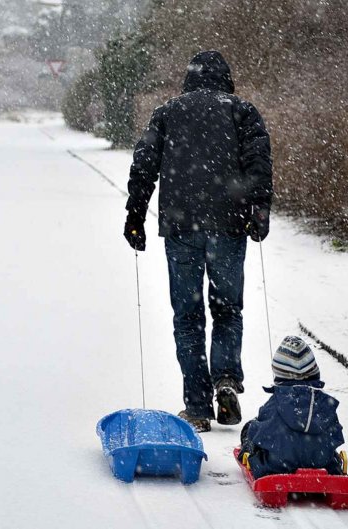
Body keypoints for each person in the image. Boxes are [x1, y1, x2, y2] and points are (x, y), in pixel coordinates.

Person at [123, 50, 272, 432]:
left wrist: (135, 214)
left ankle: (197, 405)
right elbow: (259, 162)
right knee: (227, 309)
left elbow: (144, 164)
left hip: (180, 226)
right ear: (225, 77)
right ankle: (225, 379)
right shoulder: (242, 111)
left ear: (189, 78)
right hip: (228, 225)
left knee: (187, 317)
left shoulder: (168, 112)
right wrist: (259, 209)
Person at [236, 336, 346, 478]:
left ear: (279, 375)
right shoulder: (325, 403)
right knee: (322, 448)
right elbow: (335, 433)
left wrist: (251, 436)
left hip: (276, 466)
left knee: (251, 430)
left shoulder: (274, 404)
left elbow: (260, 433)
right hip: (321, 464)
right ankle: (320, 458)